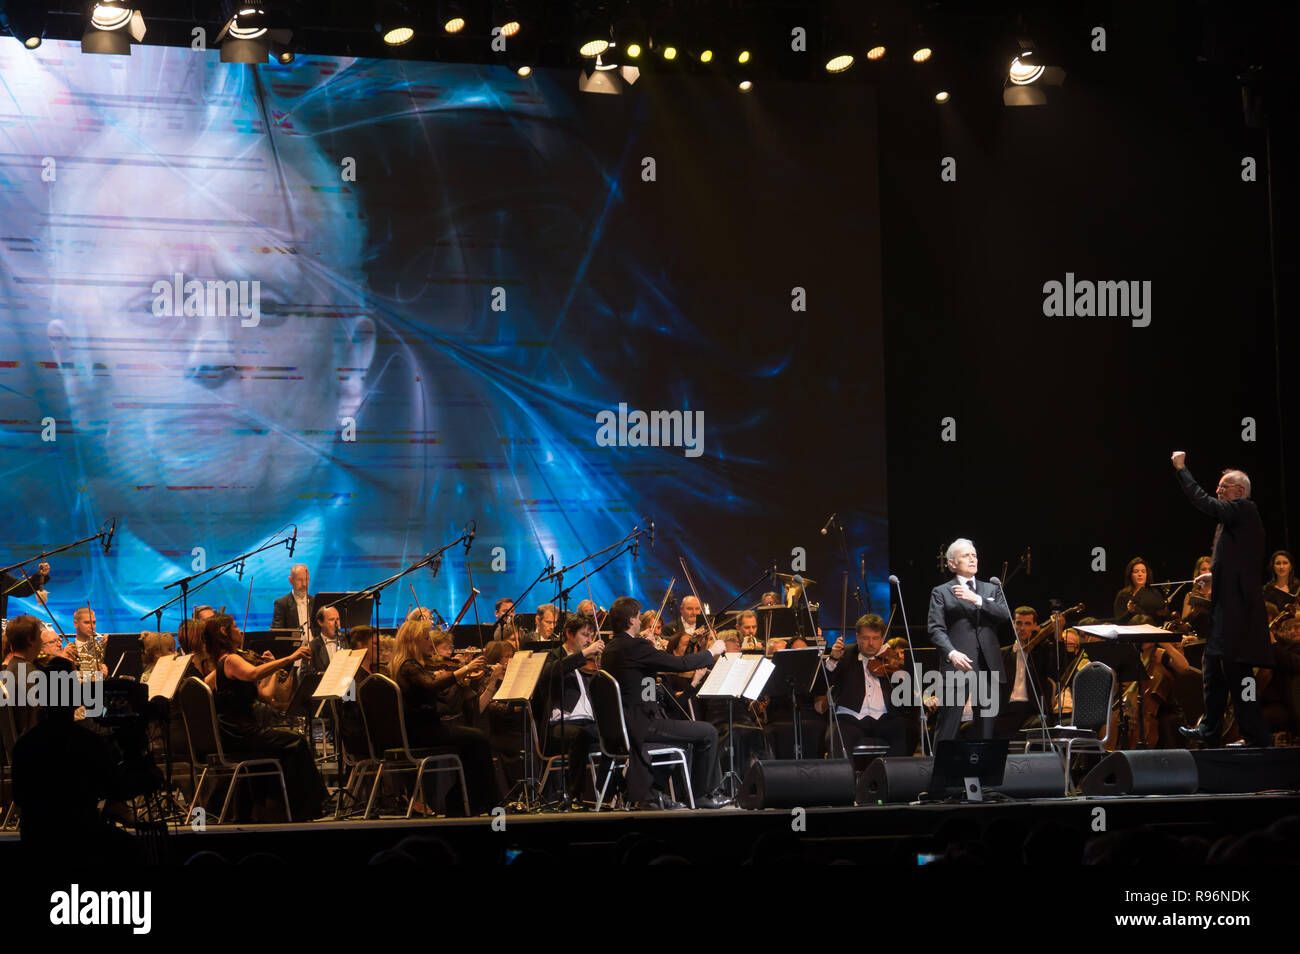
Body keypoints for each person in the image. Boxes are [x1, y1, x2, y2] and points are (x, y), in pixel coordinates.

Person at [1171, 452, 1271, 748]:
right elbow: (1240, 562)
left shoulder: (1244, 509)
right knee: (1213, 670)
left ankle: (1257, 740)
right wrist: (1213, 578)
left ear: (1239, 491)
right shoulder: (1234, 522)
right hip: (1225, 612)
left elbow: (1204, 503)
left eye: (1223, 487)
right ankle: (1210, 729)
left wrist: (1181, 469)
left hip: (1238, 617)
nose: (1218, 491)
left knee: (1237, 678)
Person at [599, 597, 731, 809]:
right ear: (632, 620)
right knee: (708, 732)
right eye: (640, 617)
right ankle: (700, 795)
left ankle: (656, 793)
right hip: (643, 725)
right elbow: (681, 664)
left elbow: (643, 688)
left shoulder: (611, 649)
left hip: (626, 725)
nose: (641, 622)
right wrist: (710, 652)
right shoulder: (635, 647)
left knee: (685, 736)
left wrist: (651, 653)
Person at [202, 613, 325, 820]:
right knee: (296, 742)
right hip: (243, 734)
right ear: (224, 632)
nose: (240, 630)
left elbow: (264, 695)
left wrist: (273, 668)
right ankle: (308, 806)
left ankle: (273, 808)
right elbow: (252, 674)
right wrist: (290, 658)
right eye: (235, 627)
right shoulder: (231, 660)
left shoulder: (220, 665)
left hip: (234, 735)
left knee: (282, 748)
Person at [390, 618, 499, 814]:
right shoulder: (408, 667)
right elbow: (431, 686)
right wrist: (464, 669)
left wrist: (457, 681)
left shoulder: (413, 667)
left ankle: (463, 802)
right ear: (413, 642)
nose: (429, 643)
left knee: (473, 745)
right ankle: (485, 802)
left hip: (426, 729)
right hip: (422, 733)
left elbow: (443, 700)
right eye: (425, 639)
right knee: (479, 739)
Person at [926, 538, 1010, 742]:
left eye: (974, 555)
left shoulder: (991, 588)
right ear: (952, 563)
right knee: (948, 727)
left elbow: (1005, 614)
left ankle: (983, 773)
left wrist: (977, 600)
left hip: (988, 666)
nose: (972, 559)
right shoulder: (942, 592)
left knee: (986, 731)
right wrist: (951, 653)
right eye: (966, 556)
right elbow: (936, 629)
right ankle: (942, 774)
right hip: (958, 665)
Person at [537, 616, 605, 802]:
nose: (589, 640)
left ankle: (612, 789)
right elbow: (551, 672)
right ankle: (575, 795)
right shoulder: (551, 655)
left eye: (591, 636)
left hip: (588, 722)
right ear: (569, 634)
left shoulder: (588, 663)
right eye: (584, 635)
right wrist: (583, 655)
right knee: (580, 735)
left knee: (617, 733)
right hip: (560, 725)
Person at [825, 614, 908, 755]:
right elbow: (827, 679)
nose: (871, 643)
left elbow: (904, 692)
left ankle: (891, 775)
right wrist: (833, 658)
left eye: (875, 638)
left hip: (884, 719)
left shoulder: (888, 659)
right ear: (857, 638)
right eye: (865, 638)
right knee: (835, 737)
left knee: (904, 729)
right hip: (850, 719)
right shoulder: (845, 654)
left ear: (882, 639)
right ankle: (846, 777)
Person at [996, 606, 1056, 739]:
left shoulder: (1042, 652)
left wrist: (1054, 634)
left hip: (1032, 710)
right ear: (1013, 624)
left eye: (1027, 624)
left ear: (1035, 626)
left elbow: (1056, 668)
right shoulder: (1001, 654)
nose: (1022, 628)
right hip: (1007, 709)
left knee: (1041, 724)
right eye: (1019, 623)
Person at [1113, 557, 1167, 623]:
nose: (1140, 574)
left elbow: (1162, 619)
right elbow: (1119, 622)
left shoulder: (1155, 594)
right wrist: (1129, 612)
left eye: (1143, 571)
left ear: (1147, 574)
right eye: (1136, 571)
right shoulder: (1123, 595)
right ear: (1130, 575)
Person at [271, 564, 313, 637]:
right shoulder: (281, 604)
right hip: (294, 648)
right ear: (290, 580)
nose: (304, 584)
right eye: (300, 580)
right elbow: (276, 633)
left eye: (306, 579)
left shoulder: (315, 601)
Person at [68, 607, 109, 677]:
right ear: (75, 623)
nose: (92, 626)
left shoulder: (101, 646)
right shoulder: (69, 649)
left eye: (94, 622)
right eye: (87, 622)